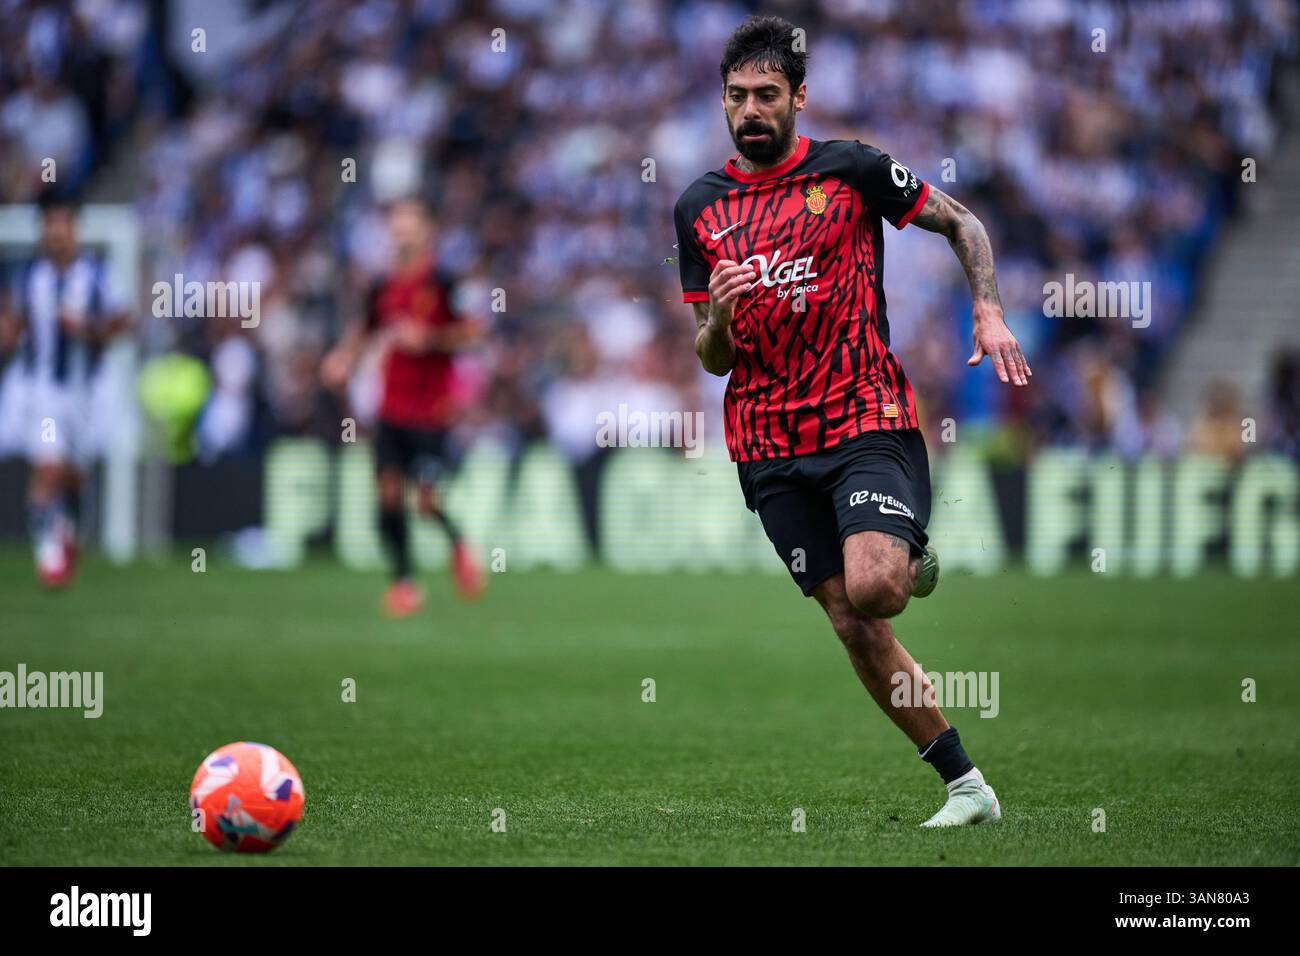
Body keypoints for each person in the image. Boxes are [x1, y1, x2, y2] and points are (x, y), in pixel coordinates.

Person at [673, 16, 1032, 826]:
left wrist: (988, 312)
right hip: (765, 445)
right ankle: (968, 787)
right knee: (849, 619)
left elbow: (961, 222)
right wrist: (721, 321)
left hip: (863, 415)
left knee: (875, 589)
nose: (751, 110)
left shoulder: (853, 168)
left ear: (800, 98)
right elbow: (711, 357)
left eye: (767, 94)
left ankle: (905, 551)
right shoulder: (699, 207)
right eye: (737, 97)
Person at [322, 198, 485, 615]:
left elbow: (474, 332)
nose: (399, 230)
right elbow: (366, 328)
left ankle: (460, 545)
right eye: (394, 222)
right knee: (388, 494)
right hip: (391, 408)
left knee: (426, 502)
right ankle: (404, 583)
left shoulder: (445, 282)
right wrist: (343, 357)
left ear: (425, 229)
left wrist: (428, 338)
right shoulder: (383, 285)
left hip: (432, 410)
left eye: (407, 222)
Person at [0, 193, 128, 589]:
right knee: (48, 467)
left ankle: (68, 535)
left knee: (74, 476)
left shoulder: (98, 275)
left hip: (86, 392)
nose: (56, 234)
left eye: (62, 225)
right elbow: (15, 326)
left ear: (74, 229)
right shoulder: (28, 277)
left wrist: (87, 329)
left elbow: (121, 323)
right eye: (49, 226)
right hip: (43, 391)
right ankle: (49, 557)